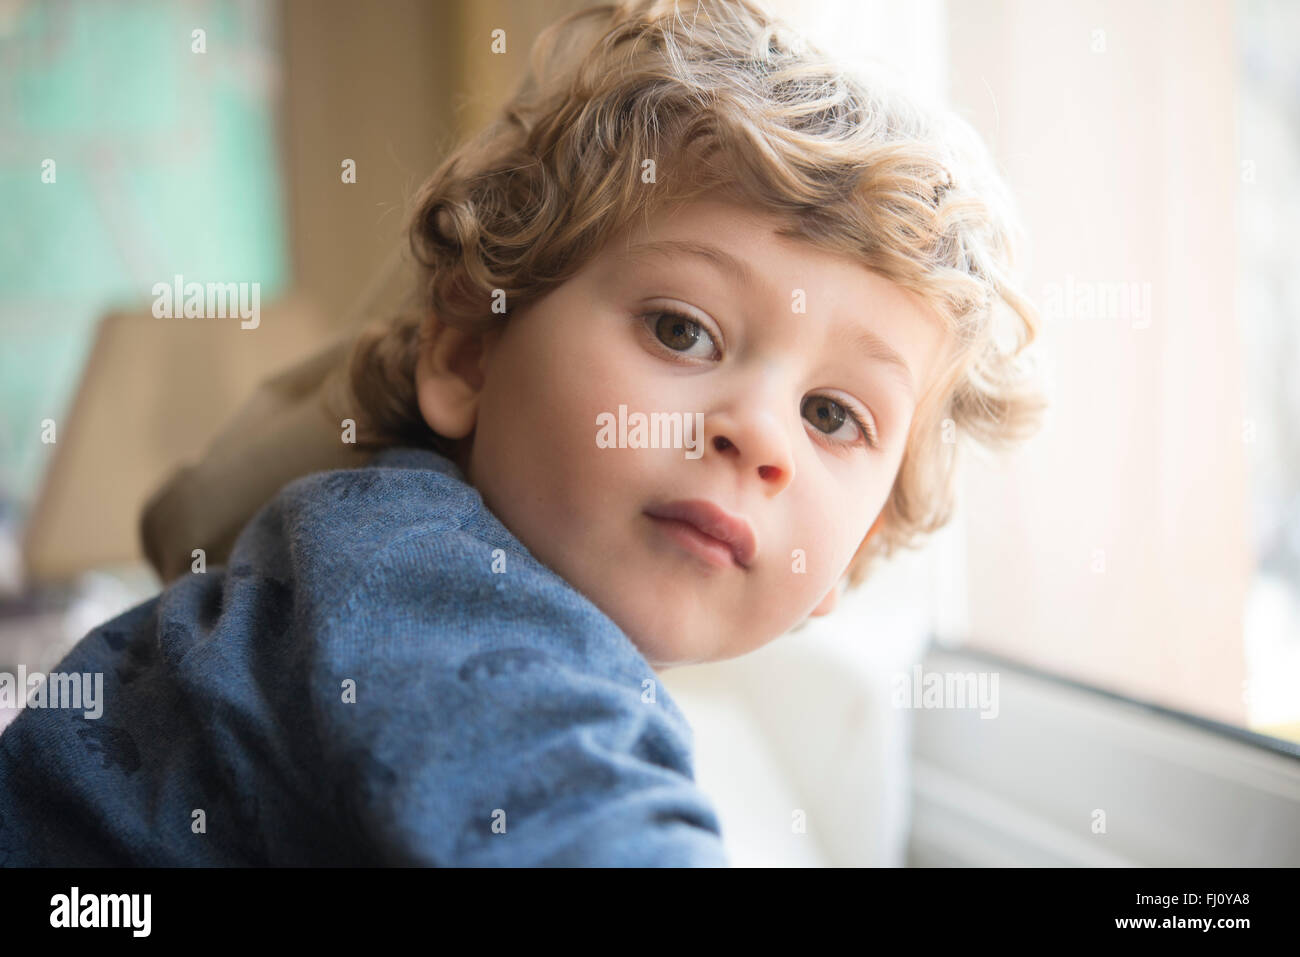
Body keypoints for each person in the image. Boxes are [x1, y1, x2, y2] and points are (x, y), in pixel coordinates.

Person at [0, 0, 1044, 866]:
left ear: (852, 555)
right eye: (682, 330)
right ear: (467, 355)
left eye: (832, 416)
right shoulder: (434, 583)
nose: (760, 436)